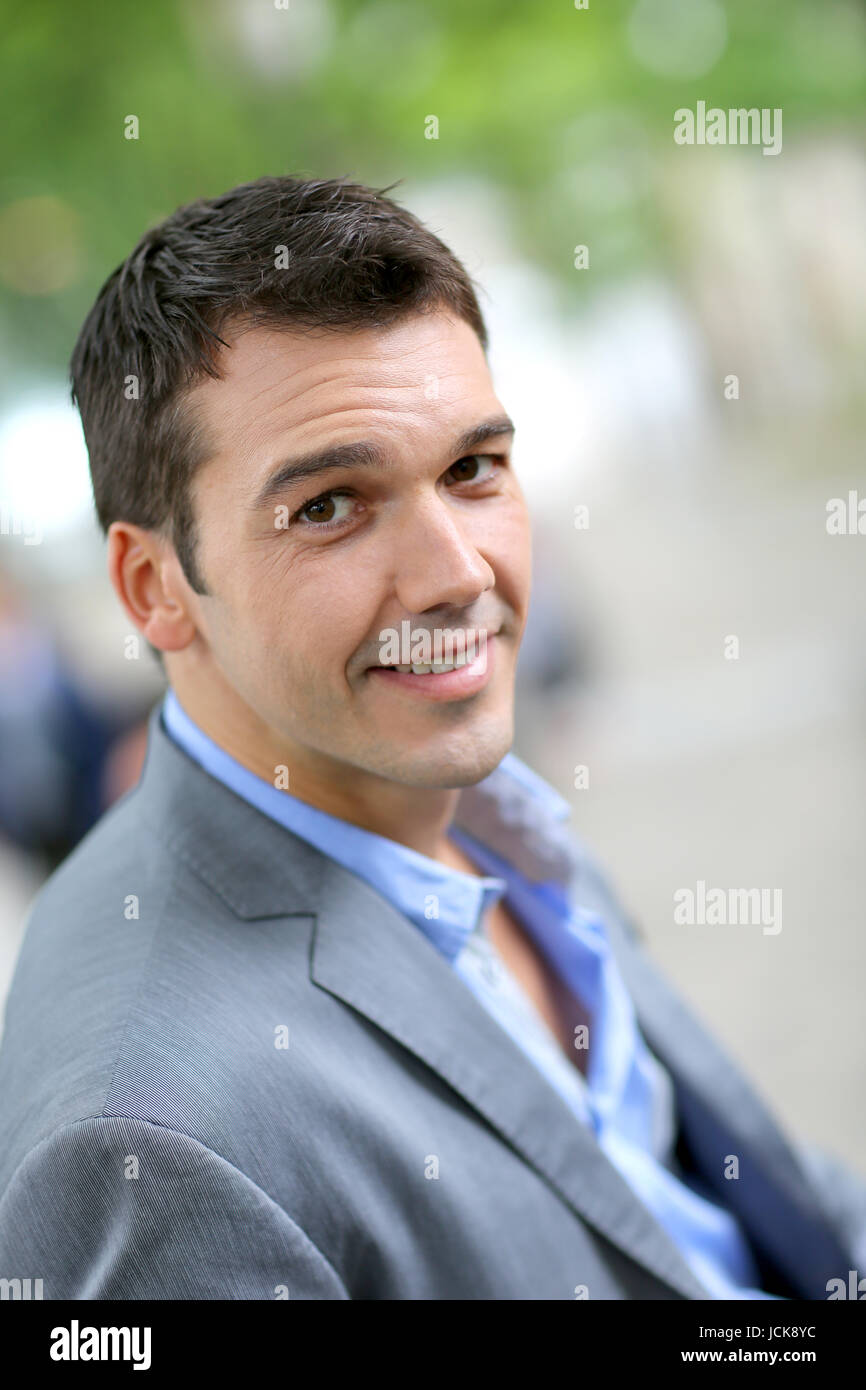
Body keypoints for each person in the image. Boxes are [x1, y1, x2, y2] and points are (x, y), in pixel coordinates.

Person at [0, 175, 863, 1300]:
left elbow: (726, 1218)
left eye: (471, 470)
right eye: (328, 506)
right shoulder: (143, 1148)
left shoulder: (484, 807)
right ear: (154, 586)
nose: (458, 572)